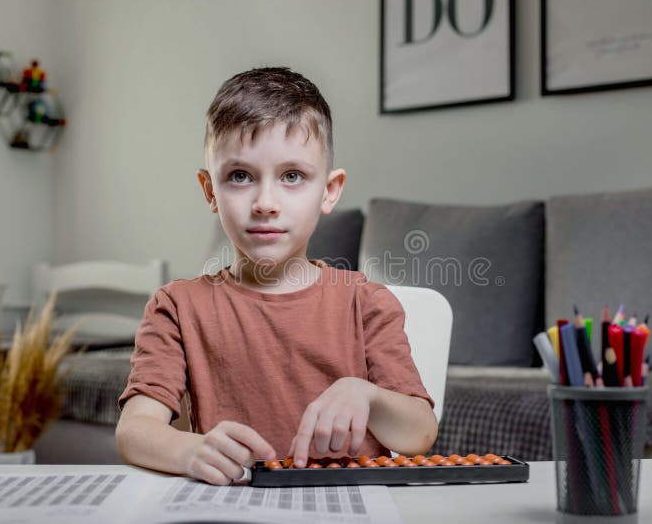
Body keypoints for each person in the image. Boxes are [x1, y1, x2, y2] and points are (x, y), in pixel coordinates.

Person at [115, 67, 437, 486]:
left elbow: (420, 433)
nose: (265, 203)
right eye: (240, 176)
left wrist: (368, 396)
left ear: (329, 190)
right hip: (232, 509)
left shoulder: (365, 302)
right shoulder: (176, 306)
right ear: (210, 190)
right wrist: (190, 451)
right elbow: (134, 430)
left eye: (292, 176)